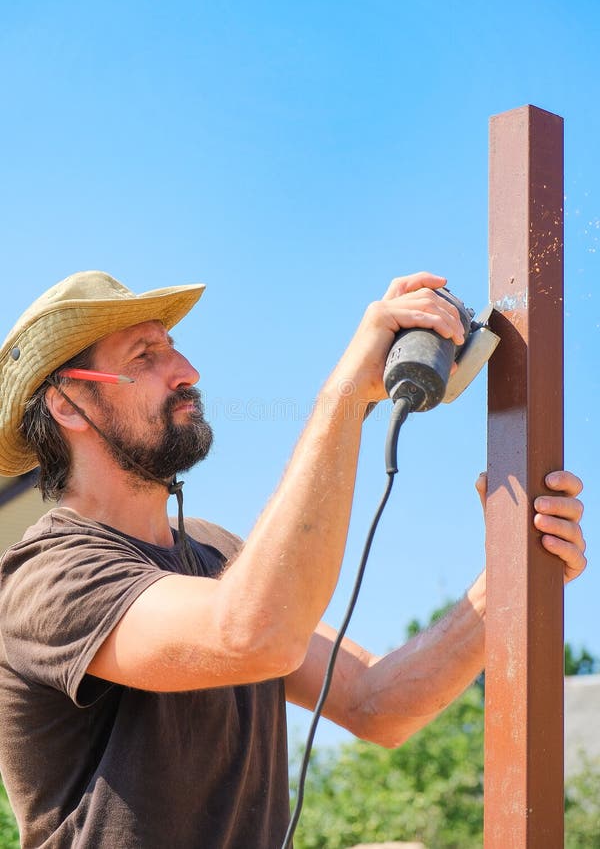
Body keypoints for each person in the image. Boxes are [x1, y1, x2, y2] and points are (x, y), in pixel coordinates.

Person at [0, 269, 586, 849]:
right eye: (145, 356)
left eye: (173, 349)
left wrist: (507, 581)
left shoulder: (219, 556)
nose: (187, 372)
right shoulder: (46, 578)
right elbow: (253, 633)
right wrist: (347, 391)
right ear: (69, 404)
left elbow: (377, 704)